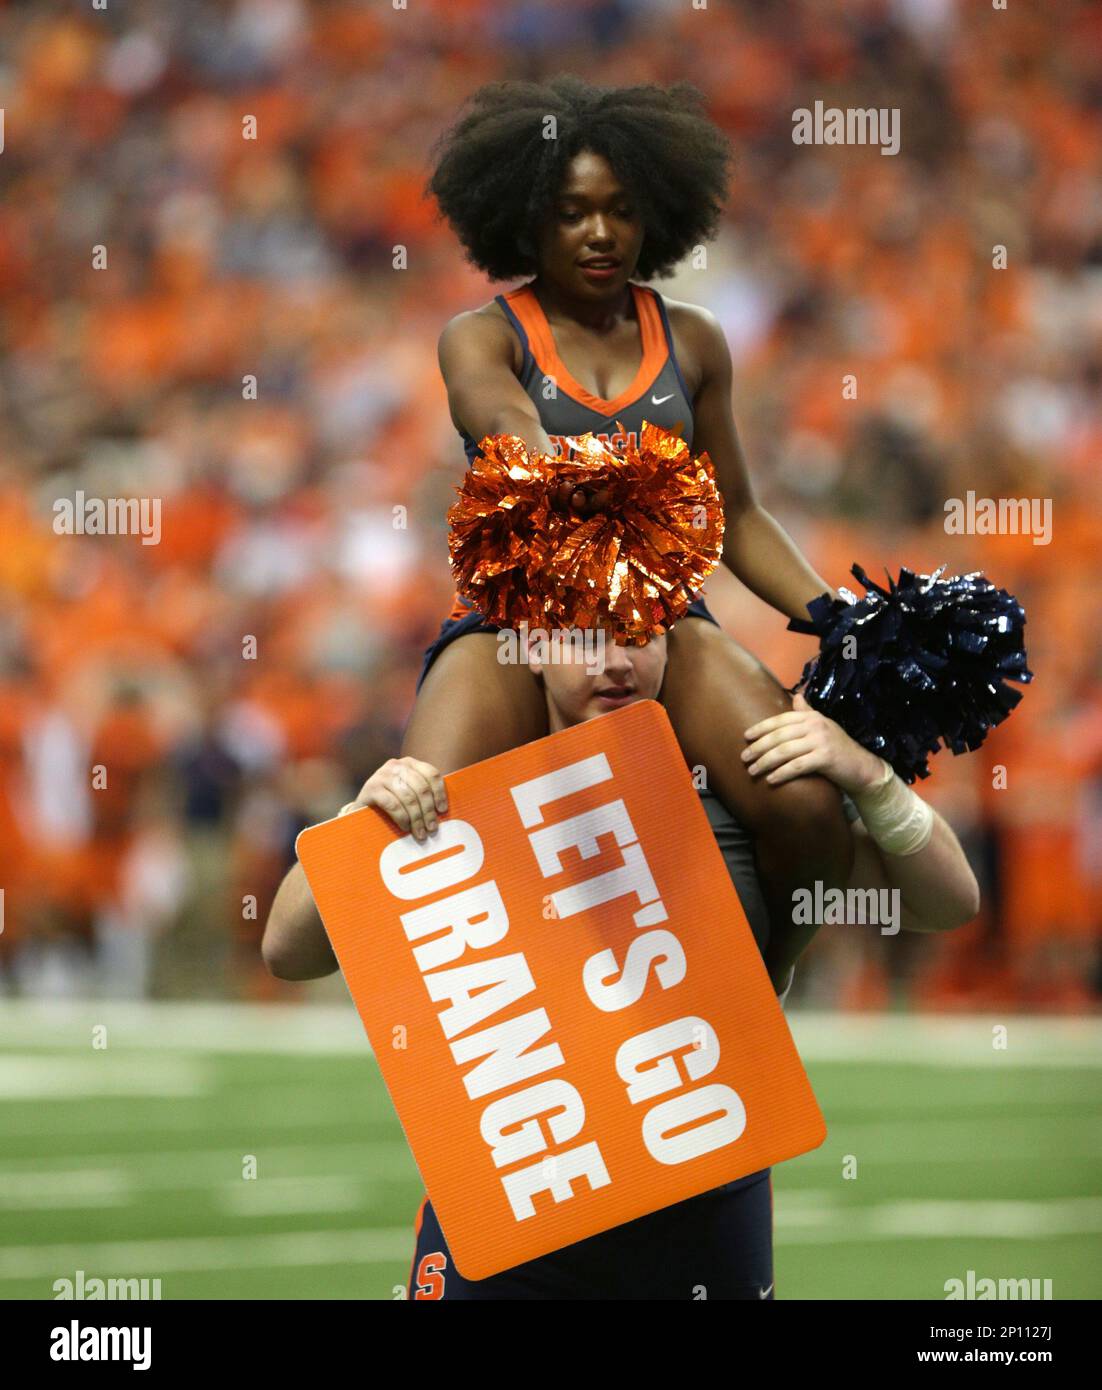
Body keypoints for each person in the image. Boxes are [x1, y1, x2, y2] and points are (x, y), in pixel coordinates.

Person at [262, 629, 979, 1300]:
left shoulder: (740, 800)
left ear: (674, 638)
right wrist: (363, 821)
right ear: (530, 648)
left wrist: (873, 781)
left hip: (702, 1200)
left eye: (637, 631)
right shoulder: (464, 794)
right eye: (582, 635)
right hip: (519, 1198)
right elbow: (288, 952)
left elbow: (949, 902)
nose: (614, 661)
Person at [406, 74, 855, 952]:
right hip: (523, 623)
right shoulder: (482, 336)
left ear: (658, 216)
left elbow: (738, 517)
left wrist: (841, 619)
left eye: (621, 209)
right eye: (572, 212)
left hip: (661, 619)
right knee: (422, 822)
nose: (601, 233)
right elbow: (509, 426)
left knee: (805, 802)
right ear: (527, 217)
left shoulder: (694, 339)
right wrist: (574, 472)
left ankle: (758, 986)